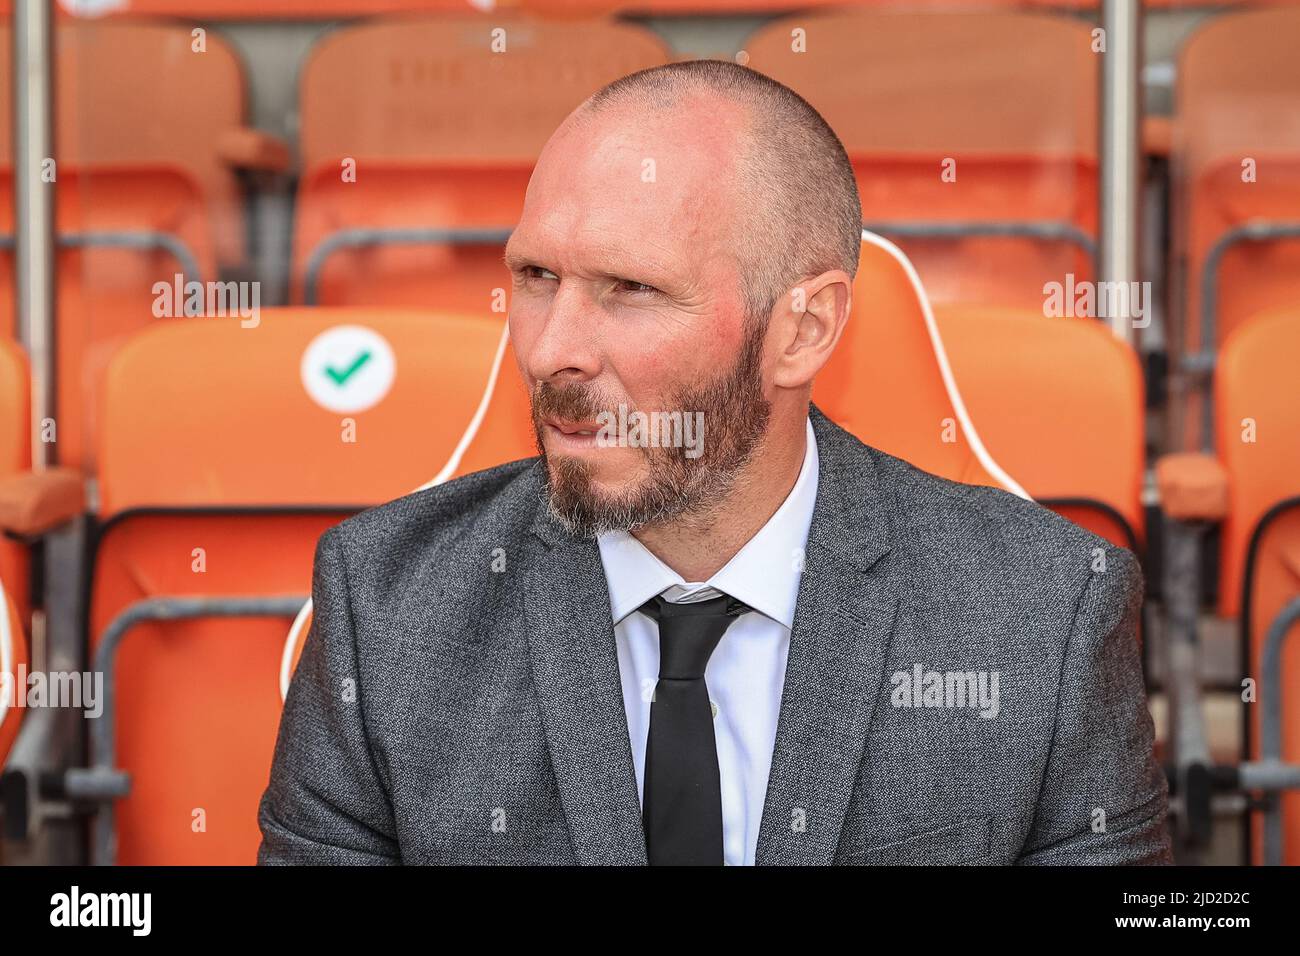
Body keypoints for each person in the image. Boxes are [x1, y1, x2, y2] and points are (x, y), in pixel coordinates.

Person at [258, 59, 1171, 866]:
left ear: (802, 331)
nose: (549, 352)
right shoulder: (386, 607)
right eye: (536, 278)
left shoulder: (1044, 613)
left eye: (631, 289)